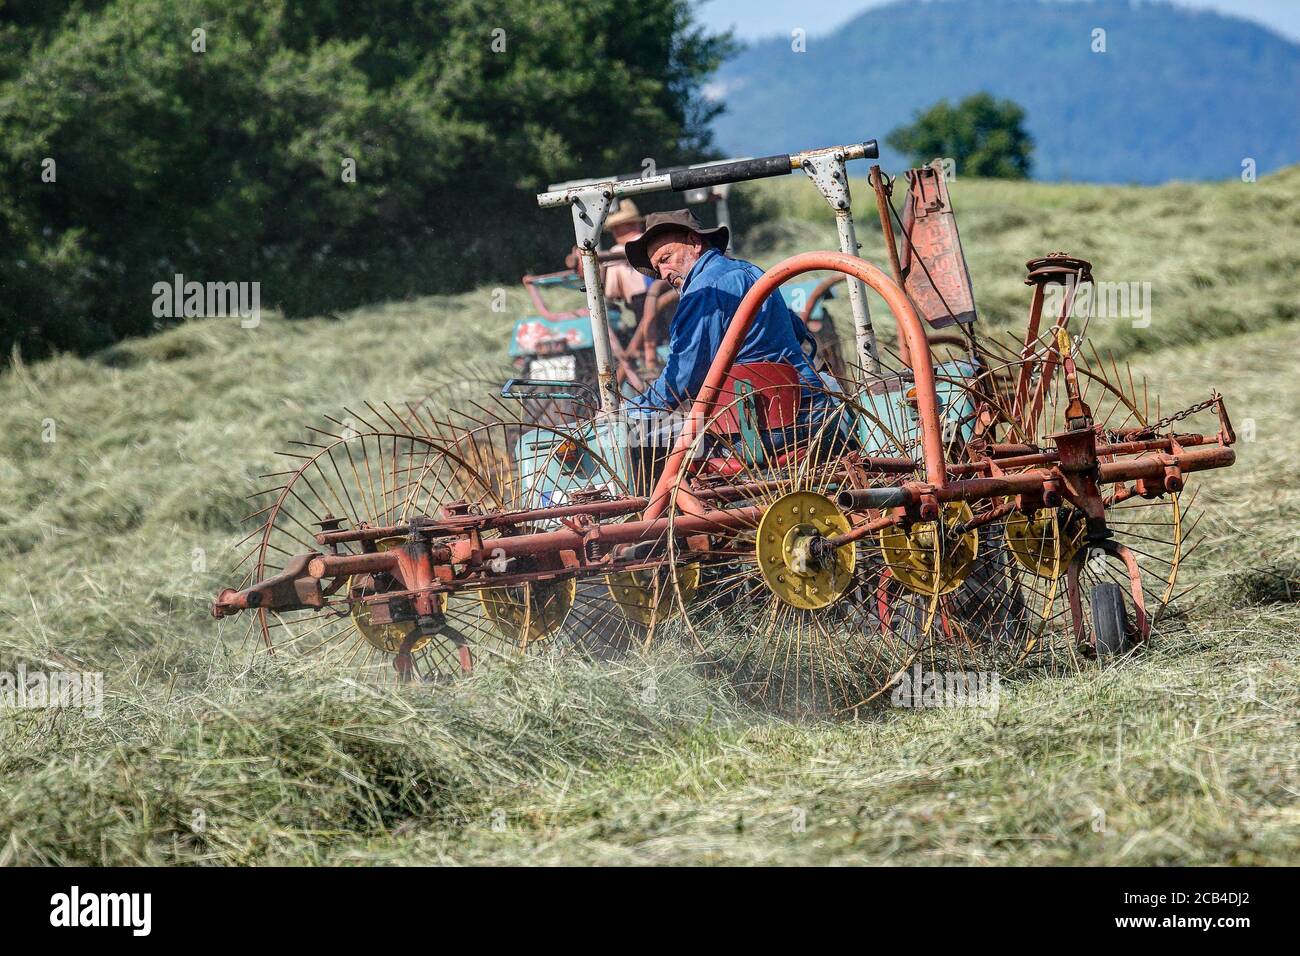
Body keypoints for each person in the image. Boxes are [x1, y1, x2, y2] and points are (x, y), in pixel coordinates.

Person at [622, 209, 822, 416]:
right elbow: (796, 330)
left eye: (666, 259)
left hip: (766, 421)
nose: (663, 274)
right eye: (657, 269)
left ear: (694, 243)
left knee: (669, 442)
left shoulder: (702, 292)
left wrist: (631, 411)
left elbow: (682, 376)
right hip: (812, 401)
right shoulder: (751, 271)